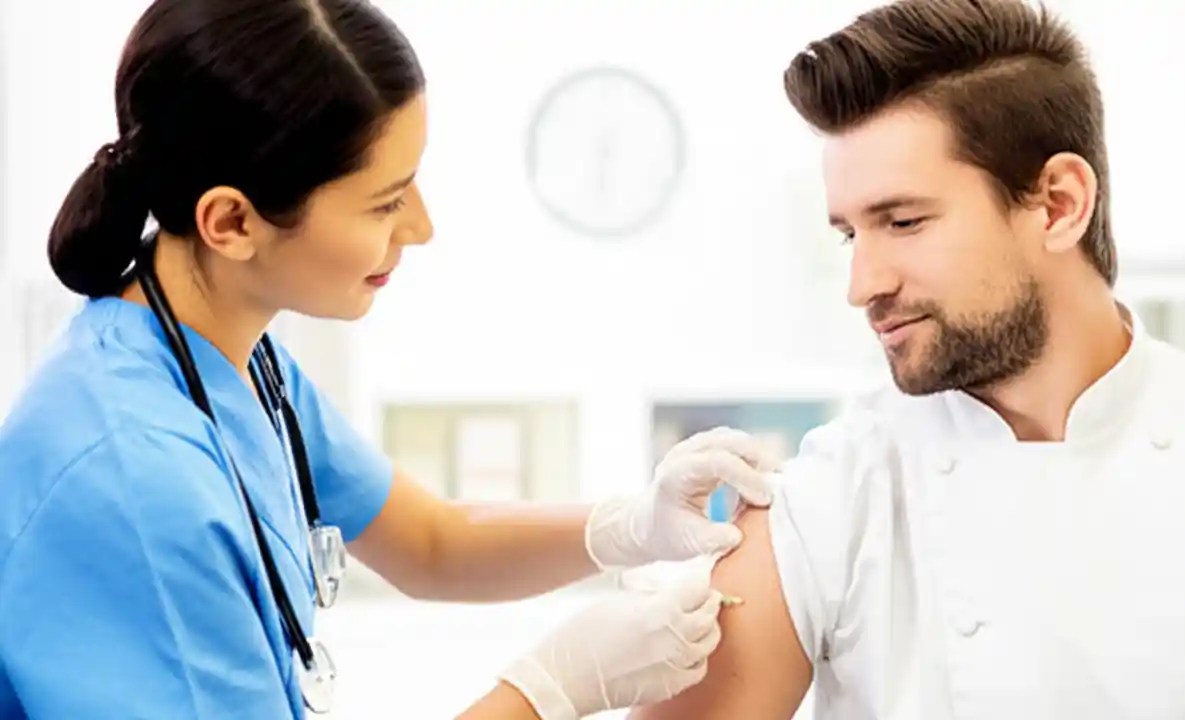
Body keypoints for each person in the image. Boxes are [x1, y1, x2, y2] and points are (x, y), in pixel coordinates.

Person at [0, 2, 775, 718]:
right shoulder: (137, 475)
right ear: (232, 221)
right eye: (385, 201)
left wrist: (629, 526)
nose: (423, 227)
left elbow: (434, 543)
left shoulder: (231, 361)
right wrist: (551, 689)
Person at [634, 0, 1185, 718]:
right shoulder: (831, 499)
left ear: (1058, 205)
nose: (863, 285)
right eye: (852, 234)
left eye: (904, 222)